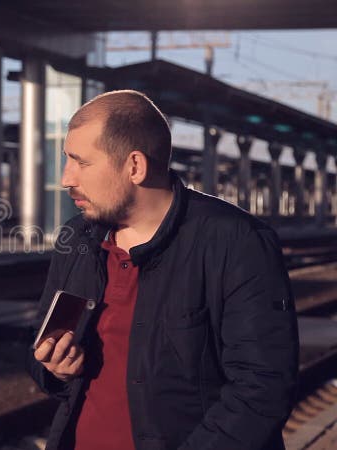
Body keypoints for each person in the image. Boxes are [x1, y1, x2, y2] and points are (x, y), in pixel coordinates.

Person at [28, 90, 298, 450]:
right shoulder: (78, 237)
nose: (66, 178)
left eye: (82, 162)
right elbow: (38, 344)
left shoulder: (236, 242)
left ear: (134, 166)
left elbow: (262, 389)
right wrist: (54, 370)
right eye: (67, 160)